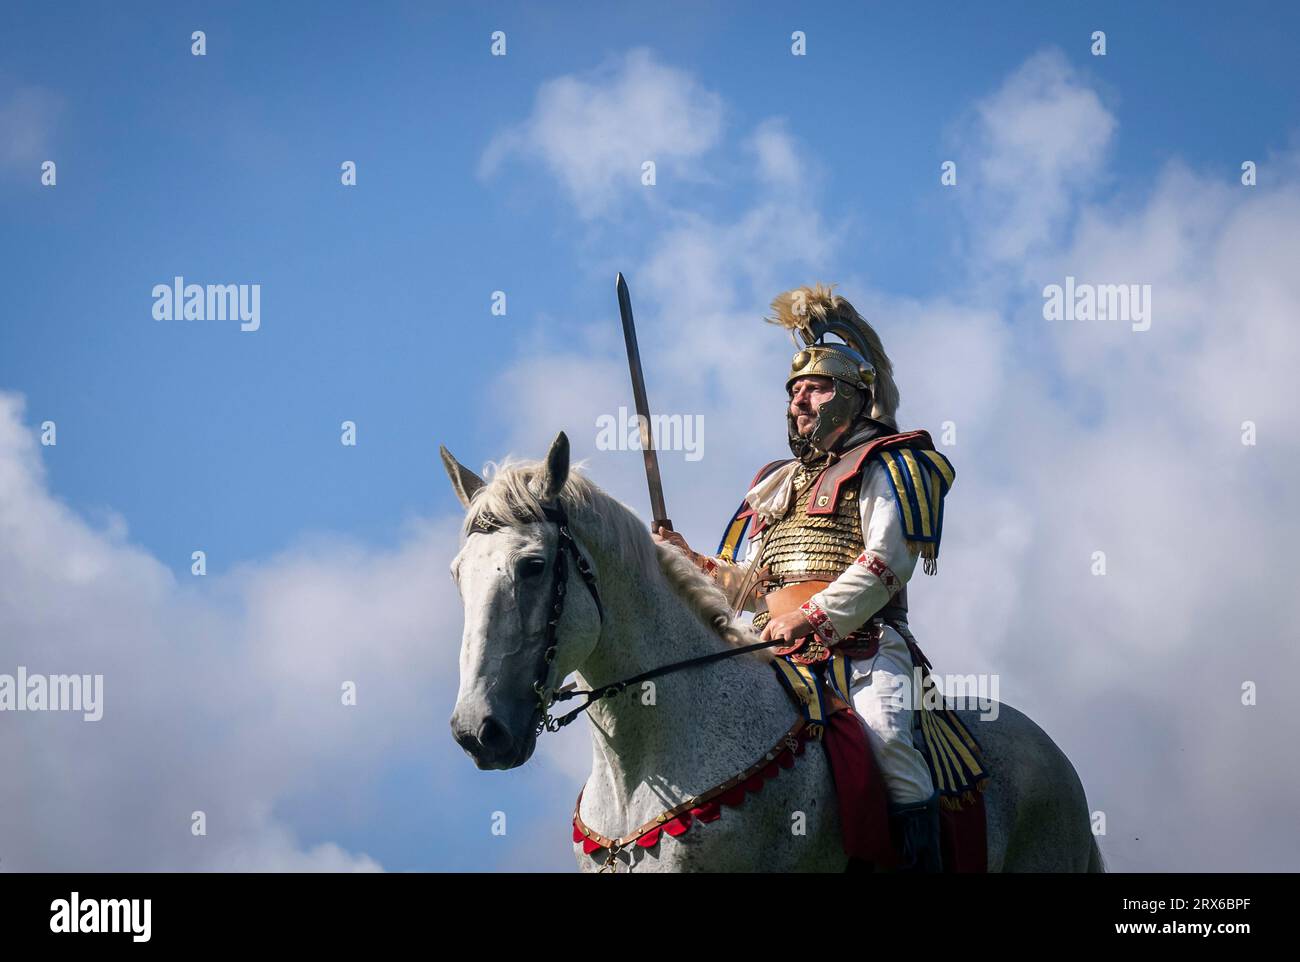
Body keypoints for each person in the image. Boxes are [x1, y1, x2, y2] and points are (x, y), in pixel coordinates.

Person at [652, 283, 955, 872]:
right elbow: (746, 586)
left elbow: (886, 562)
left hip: (863, 648)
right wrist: (685, 559)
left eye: (814, 388)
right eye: (793, 392)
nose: (799, 401)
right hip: (771, 648)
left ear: (850, 396)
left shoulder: (887, 461)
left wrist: (813, 615)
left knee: (890, 742)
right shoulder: (776, 482)